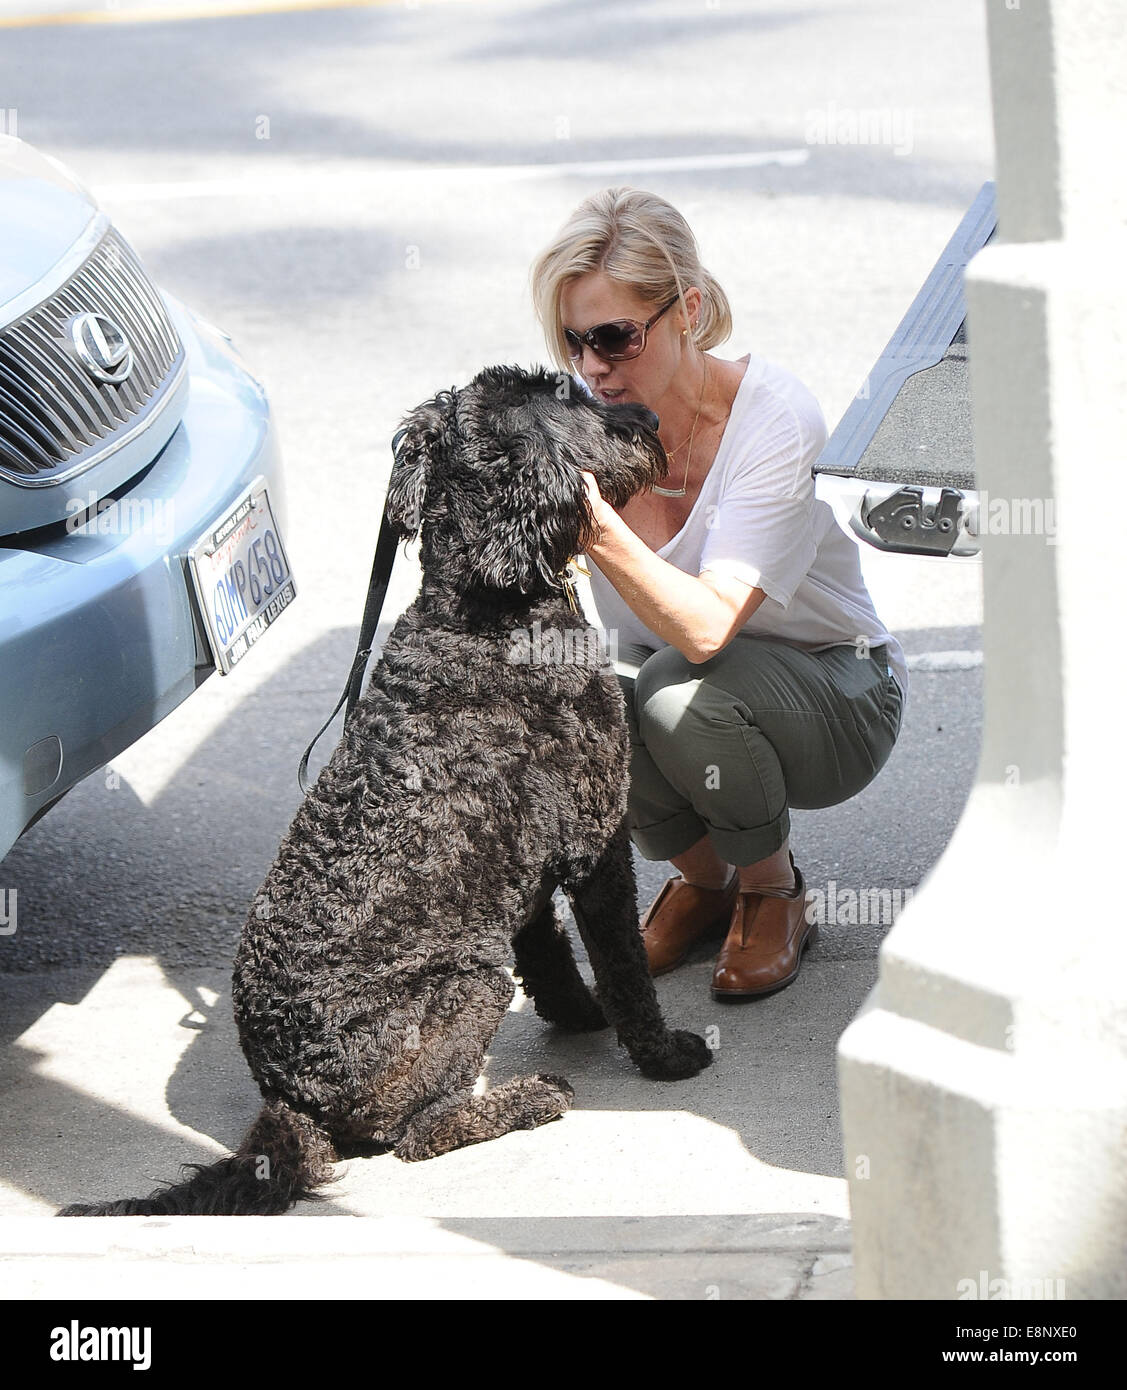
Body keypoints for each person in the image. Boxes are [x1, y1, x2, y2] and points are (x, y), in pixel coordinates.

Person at [528, 187, 906, 1001]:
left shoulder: (774, 420)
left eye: (615, 338)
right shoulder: (585, 420)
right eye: (572, 341)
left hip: (837, 693)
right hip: (690, 686)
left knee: (673, 688)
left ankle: (773, 890)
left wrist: (591, 524)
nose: (591, 366)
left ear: (688, 310)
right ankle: (705, 884)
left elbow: (702, 630)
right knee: (578, 690)